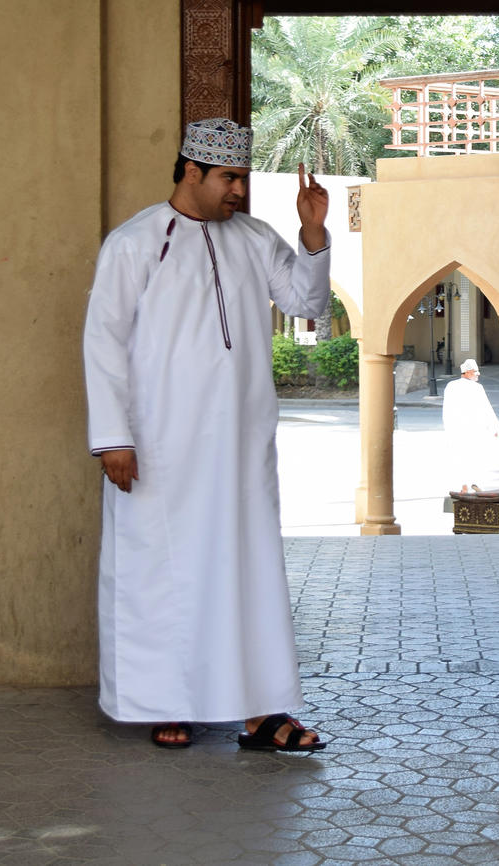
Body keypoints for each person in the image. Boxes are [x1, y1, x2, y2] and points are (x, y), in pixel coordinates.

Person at [83, 118, 331, 751]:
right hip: (159, 446)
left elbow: (306, 303)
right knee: (163, 571)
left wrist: (312, 233)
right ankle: (168, 701)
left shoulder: (255, 237)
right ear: (191, 171)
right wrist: (113, 437)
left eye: (243, 179)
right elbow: (104, 341)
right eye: (229, 178)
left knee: (247, 571)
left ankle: (260, 710)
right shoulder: (135, 242)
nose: (239, 191)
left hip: (242, 447)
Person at [441, 358, 499, 494]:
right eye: (476, 372)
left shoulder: (451, 386)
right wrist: (494, 427)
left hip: (457, 430)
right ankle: (474, 483)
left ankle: (464, 484)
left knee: (461, 458)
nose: (478, 374)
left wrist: (449, 428)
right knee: (476, 457)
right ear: (468, 372)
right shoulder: (476, 388)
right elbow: (486, 409)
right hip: (474, 430)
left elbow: (447, 410)